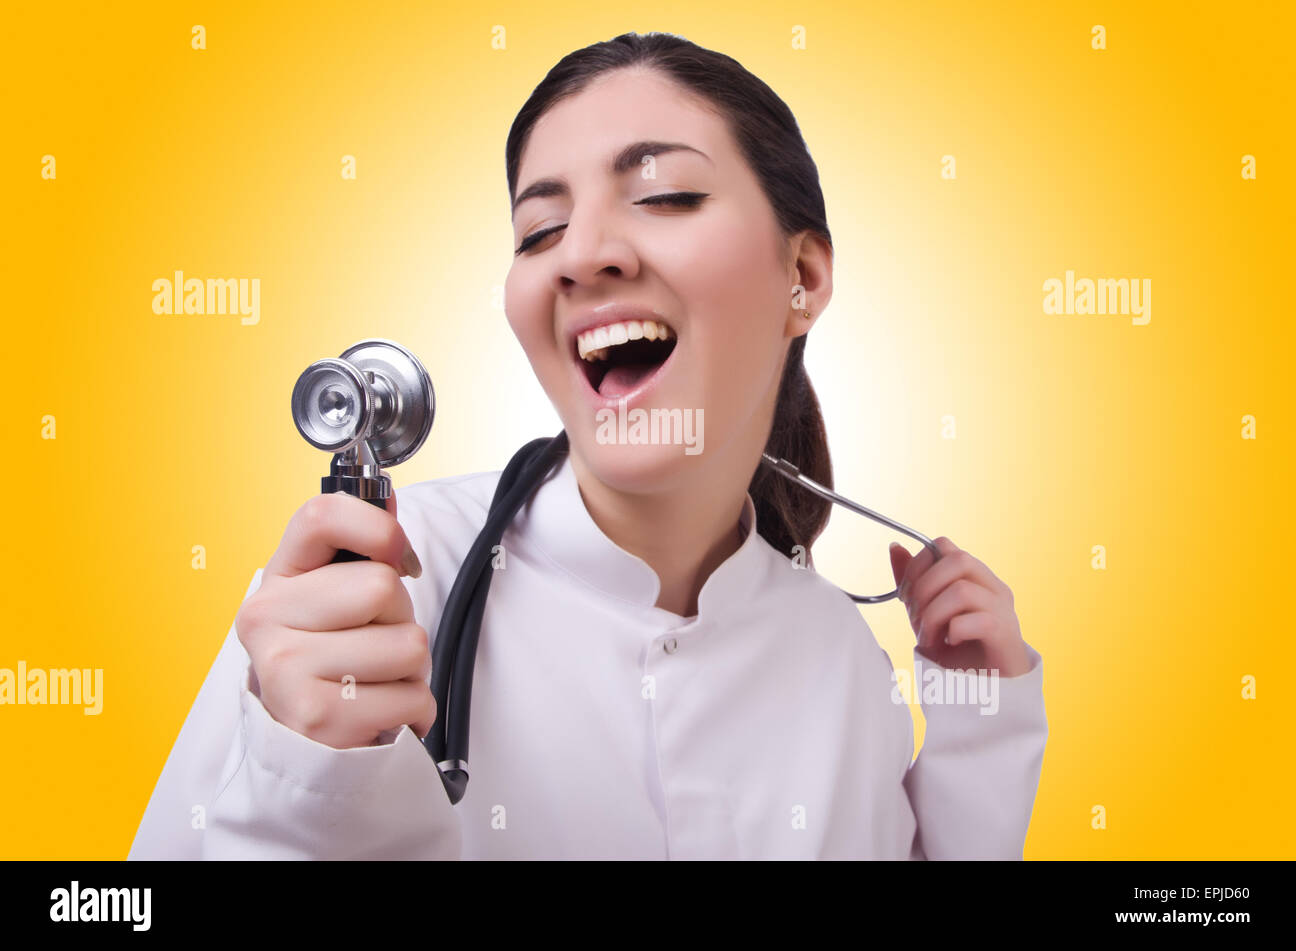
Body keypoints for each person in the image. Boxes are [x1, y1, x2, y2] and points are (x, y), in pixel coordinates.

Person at [129, 31, 1047, 860]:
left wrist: (980, 730)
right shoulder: (366, 592)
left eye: (665, 194)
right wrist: (306, 785)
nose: (580, 254)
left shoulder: (842, 657)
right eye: (541, 229)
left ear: (802, 277)